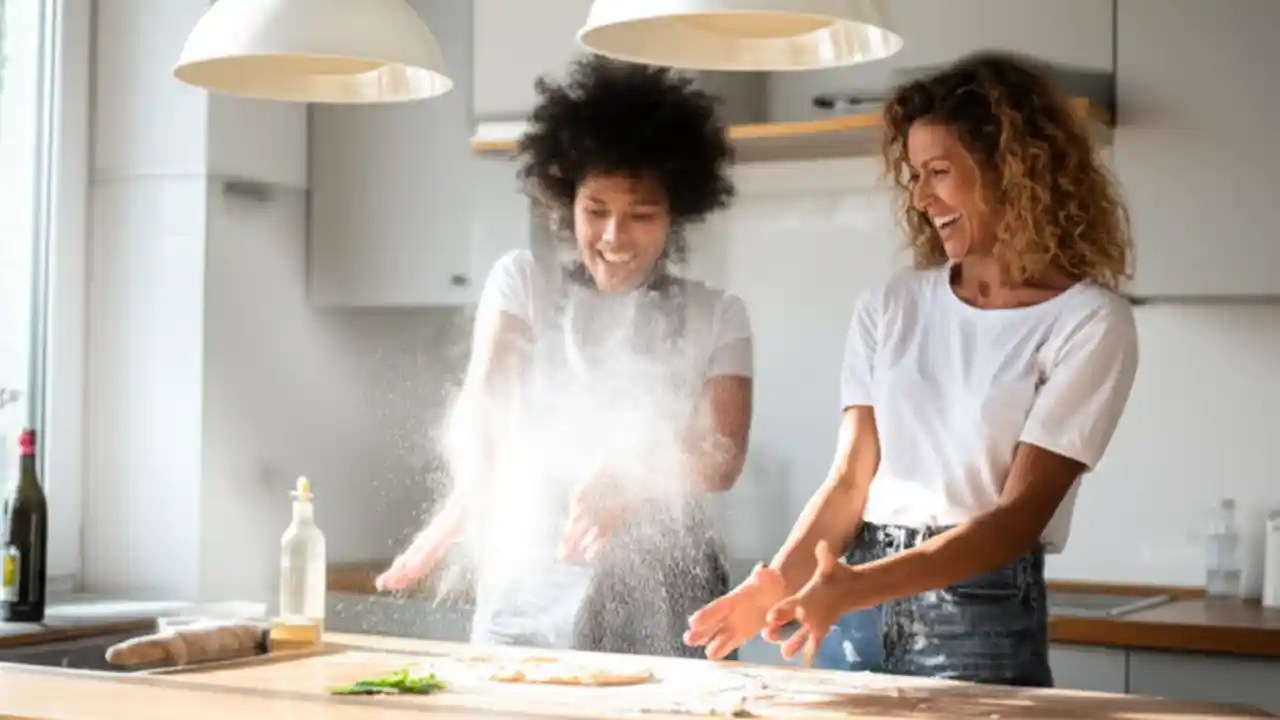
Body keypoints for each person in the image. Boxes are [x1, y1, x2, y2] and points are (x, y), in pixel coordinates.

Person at [684, 52, 1139, 687]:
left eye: (940, 172)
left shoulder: (1089, 322)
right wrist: (777, 582)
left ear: (1012, 170)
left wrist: (854, 587)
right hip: (852, 592)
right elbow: (849, 483)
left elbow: (1015, 522)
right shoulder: (891, 304)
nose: (922, 197)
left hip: (977, 609)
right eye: (916, 176)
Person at [376, 55, 753, 660]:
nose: (612, 237)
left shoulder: (719, 314)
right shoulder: (524, 283)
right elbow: (486, 403)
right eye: (595, 211)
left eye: (641, 215)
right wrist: (468, 494)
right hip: (530, 581)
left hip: (664, 594)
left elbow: (724, 454)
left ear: (677, 212)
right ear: (565, 200)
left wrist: (631, 476)